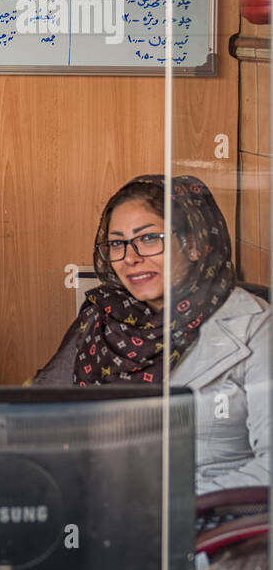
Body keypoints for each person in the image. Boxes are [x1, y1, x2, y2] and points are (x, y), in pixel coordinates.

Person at [33, 175, 270, 494]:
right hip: (98, 503)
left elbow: (269, 467)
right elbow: (37, 421)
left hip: (207, 516)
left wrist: (164, 509)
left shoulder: (255, 326)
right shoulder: (104, 316)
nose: (130, 257)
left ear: (196, 244)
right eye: (117, 243)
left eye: (148, 238)